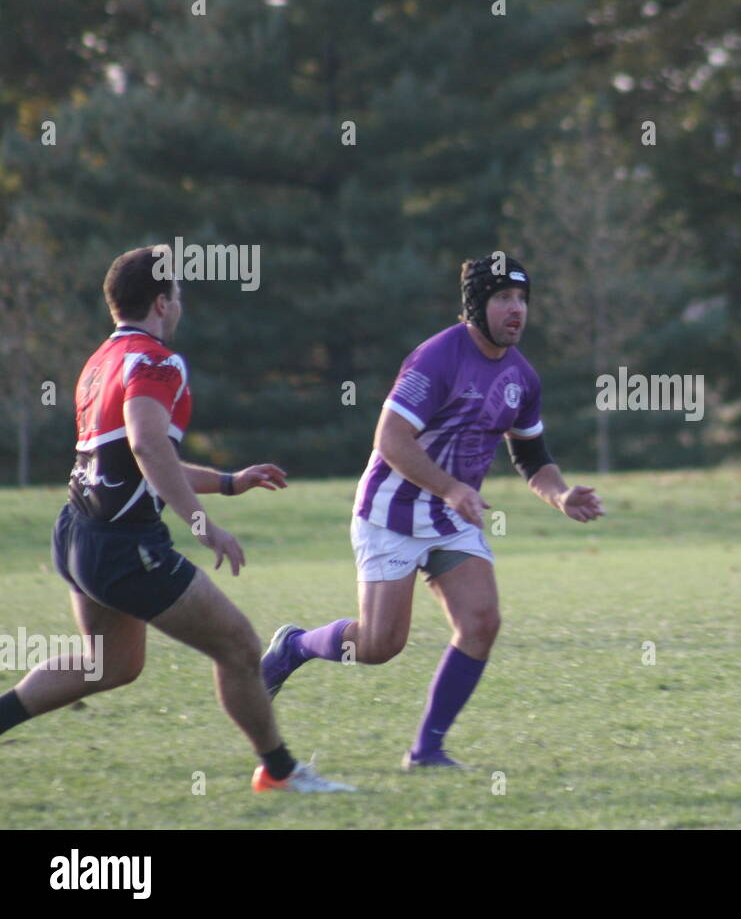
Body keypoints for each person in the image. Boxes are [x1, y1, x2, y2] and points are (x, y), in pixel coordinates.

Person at [0, 246, 353, 793]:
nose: (181, 306)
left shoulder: (100, 362)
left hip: (77, 533)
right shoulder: (159, 361)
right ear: (162, 302)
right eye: (179, 296)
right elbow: (146, 445)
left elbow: (134, 456)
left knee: (111, 666)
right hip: (123, 546)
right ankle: (280, 772)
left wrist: (230, 481)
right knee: (237, 645)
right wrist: (202, 524)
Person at [261, 254, 604, 769]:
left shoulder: (522, 377)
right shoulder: (438, 357)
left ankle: (427, 750)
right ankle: (295, 648)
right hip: (391, 512)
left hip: (449, 517)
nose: (517, 311)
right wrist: (450, 488)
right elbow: (390, 439)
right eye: (504, 299)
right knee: (378, 645)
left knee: (482, 622)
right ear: (476, 305)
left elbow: (531, 455)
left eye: (522, 300)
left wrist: (559, 495)